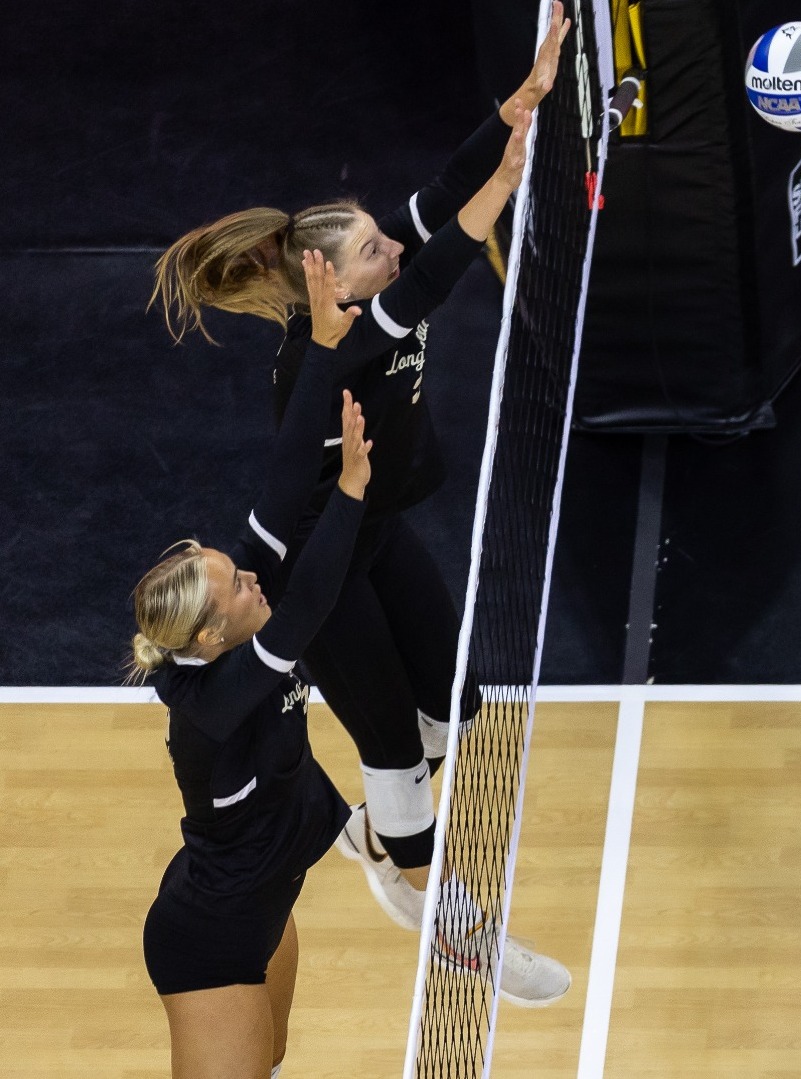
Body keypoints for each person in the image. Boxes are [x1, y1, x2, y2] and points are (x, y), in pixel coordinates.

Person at [148, 3, 574, 1006]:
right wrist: (508, 181)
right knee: (394, 750)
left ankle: (385, 829)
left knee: (453, 709)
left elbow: (436, 202)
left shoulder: (364, 287)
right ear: (332, 290)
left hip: (372, 530)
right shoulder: (335, 346)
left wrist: (515, 106)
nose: (393, 247)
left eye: (382, 239)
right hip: (316, 571)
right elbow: (438, 267)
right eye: (374, 249)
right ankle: (442, 912)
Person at [132, 255, 369, 1078]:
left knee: (269, 1056)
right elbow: (308, 607)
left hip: (269, 901)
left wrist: (324, 348)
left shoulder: (234, 631)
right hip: (209, 939)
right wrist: (350, 492)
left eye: (236, 568)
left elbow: (283, 476)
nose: (253, 578)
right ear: (208, 637)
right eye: (235, 586)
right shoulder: (217, 700)